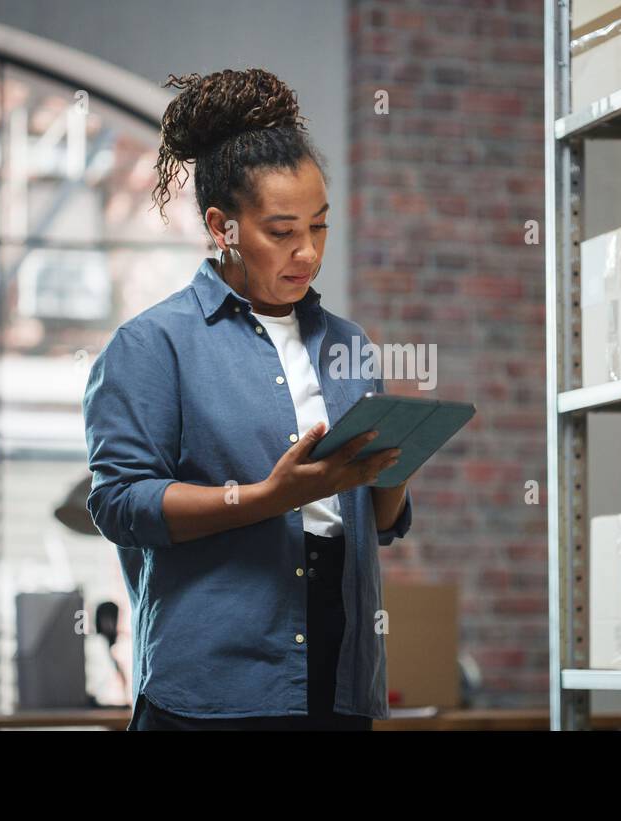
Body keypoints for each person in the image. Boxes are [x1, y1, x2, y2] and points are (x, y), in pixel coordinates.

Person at [82, 68, 415, 731]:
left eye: (319, 227)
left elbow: (379, 524)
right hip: (210, 688)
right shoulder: (153, 345)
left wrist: (392, 469)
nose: (308, 252)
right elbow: (119, 503)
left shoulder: (348, 344)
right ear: (222, 227)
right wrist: (268, 496)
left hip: (340, 674)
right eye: (282, 231)